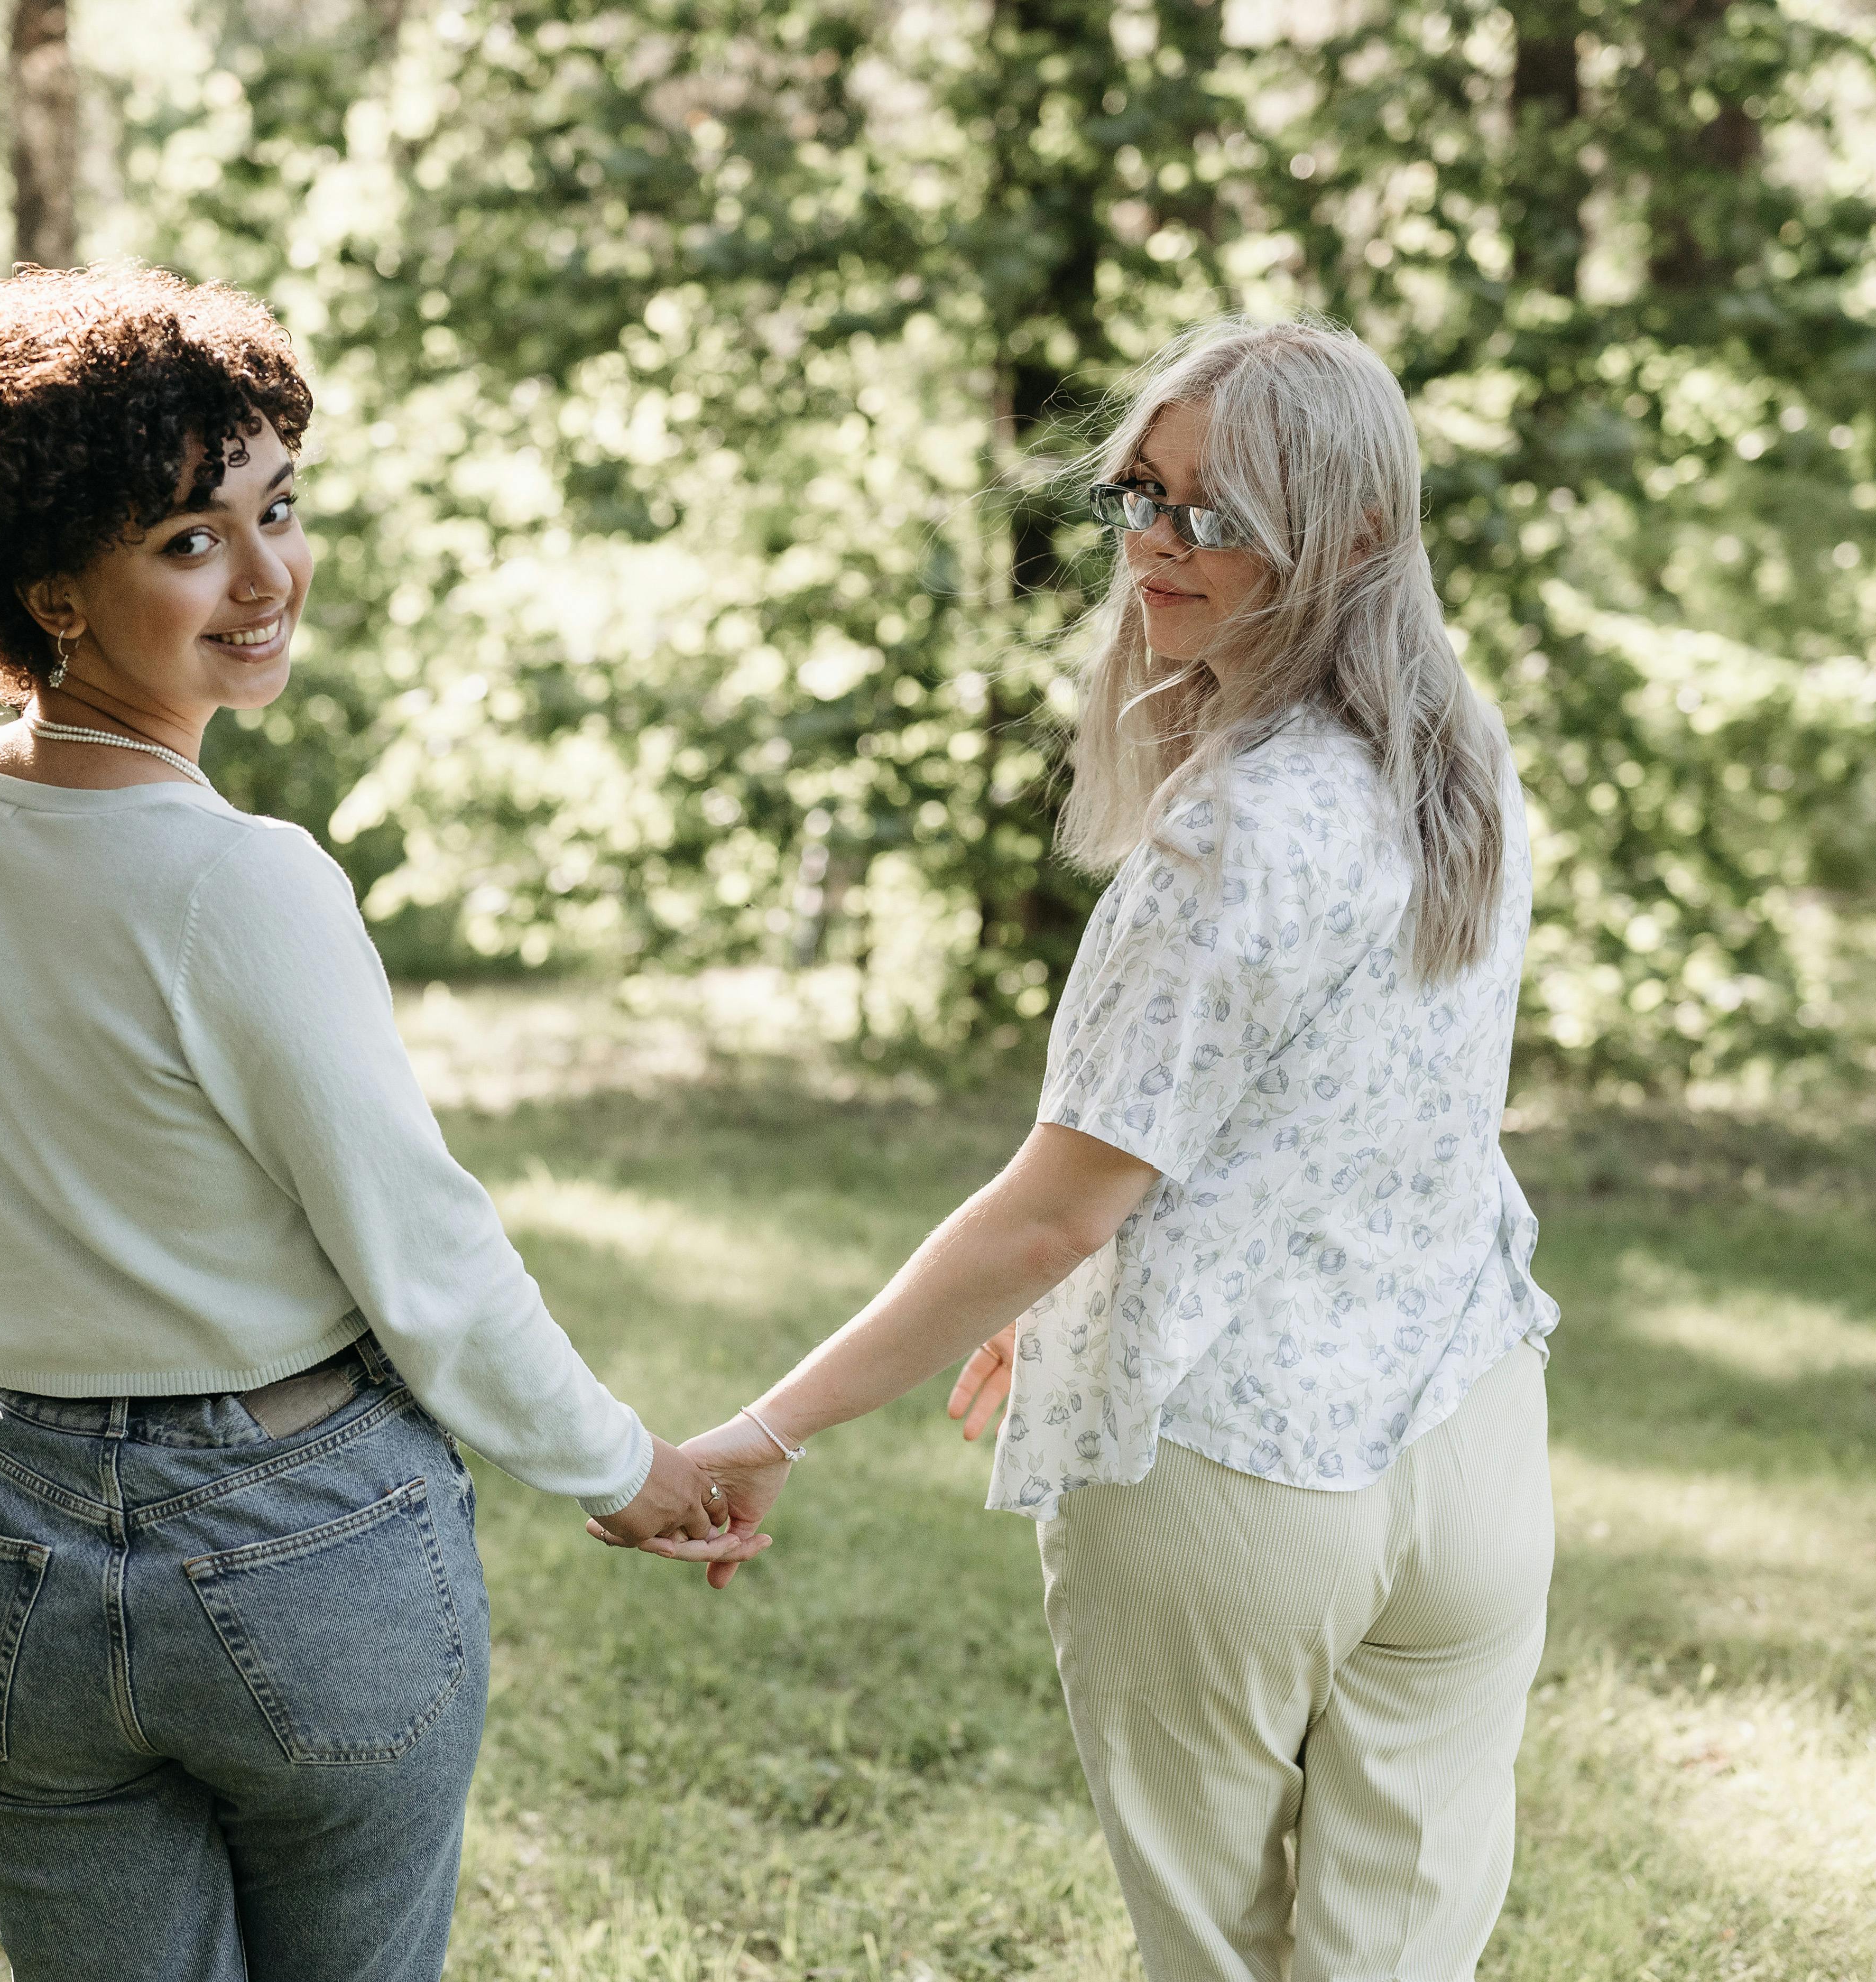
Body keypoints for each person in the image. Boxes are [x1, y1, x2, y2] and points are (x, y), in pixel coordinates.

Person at [0, 264, 759, 1982]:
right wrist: (627, 1472)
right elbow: (424, 1254)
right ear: (52, 590)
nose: (265, 578)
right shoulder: (237, 880)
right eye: (190, 540)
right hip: (295, 1548)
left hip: (19, 1552)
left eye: (278, 508)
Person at [618, 317, 1561, 1982]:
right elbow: (1325, 1115)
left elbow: (1053, 1213)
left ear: (1352, 535)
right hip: (1469, 1449)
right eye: (1141, 495)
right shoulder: (1457, 763)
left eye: (1218, 513)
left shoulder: (1234, 833)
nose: (1157, 546)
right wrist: (1077, 1287)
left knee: (1217, 1955)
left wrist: (771, 1427)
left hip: (1237, 1469)